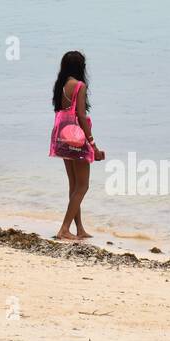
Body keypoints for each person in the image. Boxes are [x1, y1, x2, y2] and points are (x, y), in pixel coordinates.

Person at [48, 50, 105, 241]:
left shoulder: (61, 86)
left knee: (73, 186)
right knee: (83, 186)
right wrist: (94, 145)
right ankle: (64, 228)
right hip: (77, 140)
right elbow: (81, 116)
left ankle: (79, 228)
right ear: (81, 67)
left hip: (62, 138)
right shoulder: (80, 86)